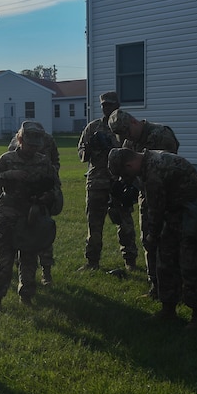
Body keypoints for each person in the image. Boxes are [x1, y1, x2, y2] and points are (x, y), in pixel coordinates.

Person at [108, 146, 197, 329]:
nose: (127, 179)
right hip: (174, 215)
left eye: (125, 174)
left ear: (129, 164)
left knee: (191, 266)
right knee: (165, 261)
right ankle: (168, 309)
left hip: (191, 215)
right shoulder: (148, 162)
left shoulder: (154, 170)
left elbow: (155, 210)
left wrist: (152, 236)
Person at [0, 121, 62, 310]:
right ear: (20, 140)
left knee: (29, 260)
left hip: (32, 215)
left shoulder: (43, 161)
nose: (33, 148)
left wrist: (48, 195)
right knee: (4, 260)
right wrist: (9, 175)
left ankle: (26, 297)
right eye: (29, 143)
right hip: (8, 213)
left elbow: (55, 186)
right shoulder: (7, 160)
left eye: (36, 144)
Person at [109, 108, 179, 299]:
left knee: (168, 242)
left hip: (166, 198)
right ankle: (155, 286)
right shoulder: (129, 141)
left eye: (125, 131)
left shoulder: (160, 134)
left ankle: (174, 286)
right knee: (148, 239)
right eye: (121, 134)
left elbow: (167, 168)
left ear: (133, 122)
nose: (125, 137)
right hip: (146, 197)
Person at [76, 91, 137, 275]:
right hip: (97, 182)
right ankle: (92, 261)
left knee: (125, 223)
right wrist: (90, 148)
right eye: (104, 105)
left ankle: (130, 260)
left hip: (119, 183)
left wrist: (114, 149)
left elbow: (134, 154)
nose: (106, 108)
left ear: (117, 105)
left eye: (110, 105)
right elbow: (81, 154)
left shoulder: (126, 126)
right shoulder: (93, 127)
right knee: (94, 224)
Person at [8, 121, 60, 285]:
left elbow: (55, 160)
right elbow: (11, 162)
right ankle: (24, 271)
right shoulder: (14, 143)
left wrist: (49, 181)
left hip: (42, 194)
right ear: (22, 138)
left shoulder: (49, 140)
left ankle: (46, 272)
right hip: (22, 198)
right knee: (21, 233)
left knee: (44, 233)